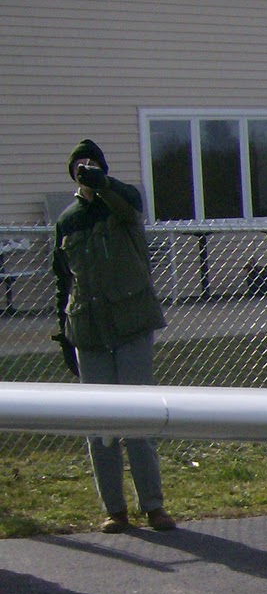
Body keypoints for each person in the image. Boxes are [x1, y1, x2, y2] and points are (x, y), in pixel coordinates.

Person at [52, 138, 178, 534]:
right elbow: (62, 281)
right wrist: (64, 335)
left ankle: (153, 506)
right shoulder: (67, 220)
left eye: (92, 164)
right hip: (88, 330)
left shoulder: (120, 206)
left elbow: (130, 199)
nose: (85, 169)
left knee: (137, 417)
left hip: (131, 325)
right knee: (100, 424)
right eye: (79, 165)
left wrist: (103, 183)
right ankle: (115, 510)